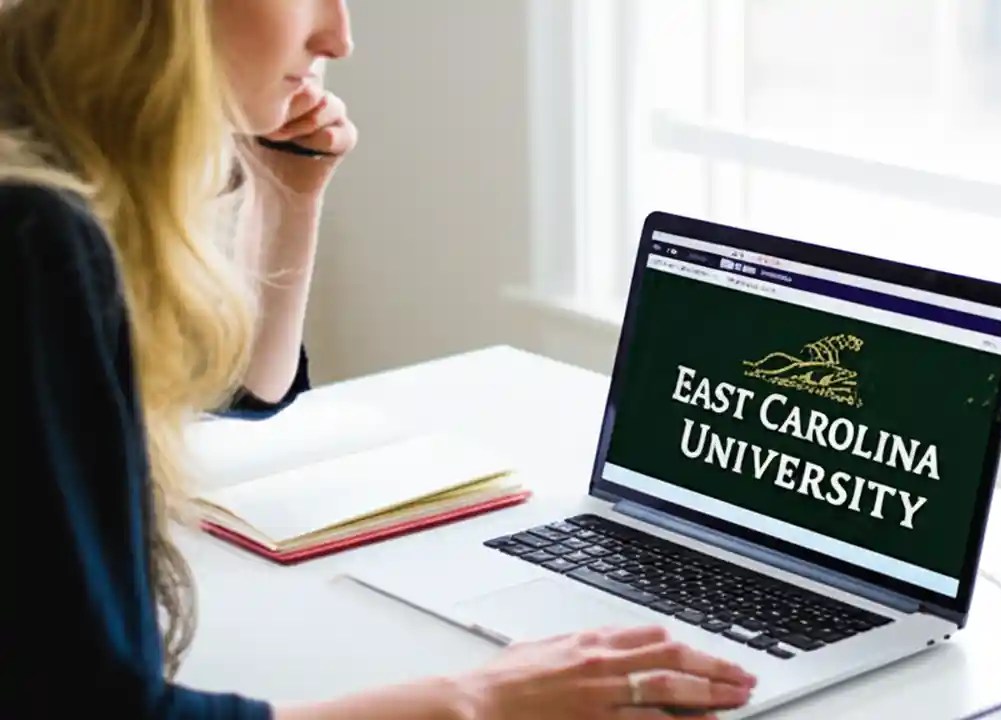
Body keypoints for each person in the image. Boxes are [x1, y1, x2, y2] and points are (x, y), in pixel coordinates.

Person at [1, 1, 757, 718]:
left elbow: (236, 389)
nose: (337, 38)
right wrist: (482, 702)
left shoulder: (44, 165)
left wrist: (289, 190)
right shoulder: (32, 233)